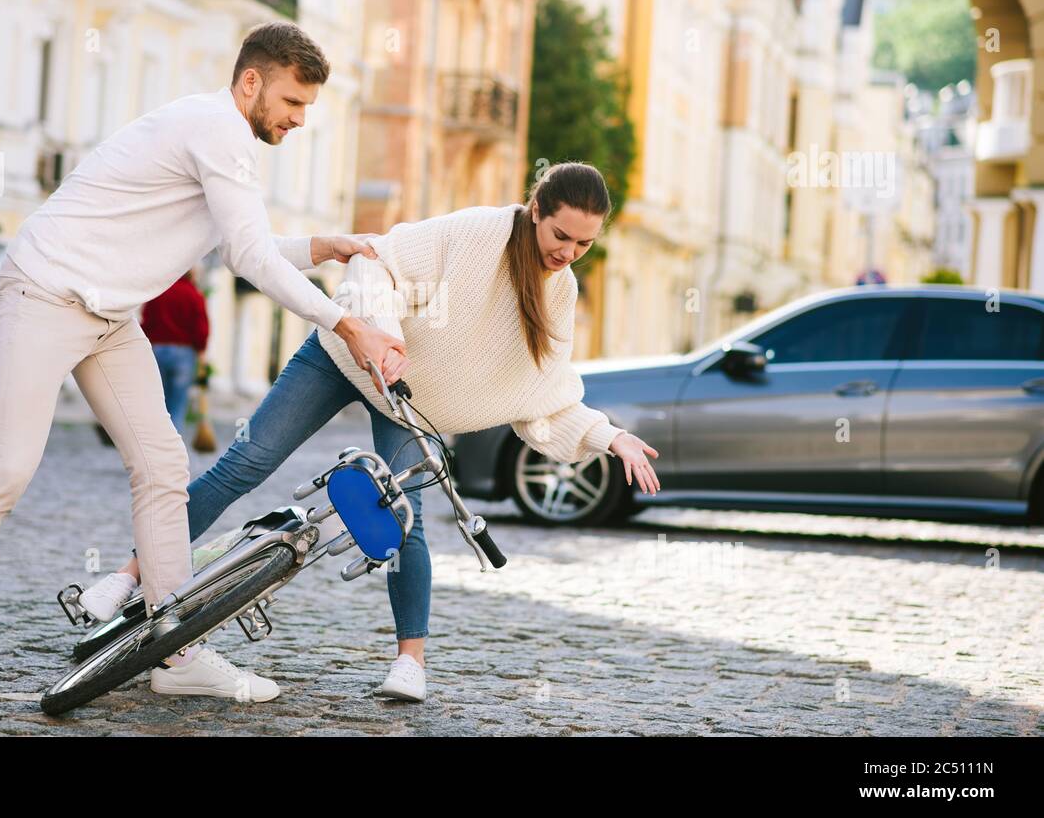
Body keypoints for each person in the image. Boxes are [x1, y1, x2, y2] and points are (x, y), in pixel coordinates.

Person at [0, 20, 405, 702]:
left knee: (164, 467)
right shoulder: (215, 129)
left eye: (307, 109)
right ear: (251, 81)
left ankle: (177, 653)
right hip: (46, 292)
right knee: (9, 467)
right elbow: (253, 258)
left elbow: (241, 246)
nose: (298, 120)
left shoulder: (225, 143)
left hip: (110, 319)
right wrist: (347, 324)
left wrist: (324, 245)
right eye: (292, 103)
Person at [79, 162, 661, 703]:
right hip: (348, 354)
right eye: (562, 236)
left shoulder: (560, 291)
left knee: (405, 514)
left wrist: (611, 437)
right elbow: (378, 260)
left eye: (585, 244)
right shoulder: (474, 233)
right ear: (536, 209)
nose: (570, 253)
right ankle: (128, 576)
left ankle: (411, 663)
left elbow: (547, 388)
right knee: (246, 463)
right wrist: (380, 335)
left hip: (408, 398)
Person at [141, 270, 209, 431]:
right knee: (177, 405)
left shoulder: (158, 292)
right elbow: (201, 329)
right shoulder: (194, 295)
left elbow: (146, 322)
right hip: (183, 354)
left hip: (156, 351)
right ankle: (172, 449)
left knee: (157, 404)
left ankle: (155, 443)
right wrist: (201, 351)